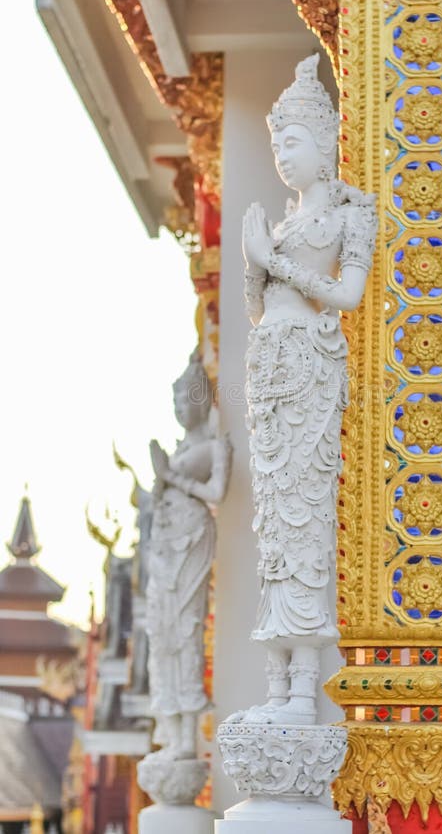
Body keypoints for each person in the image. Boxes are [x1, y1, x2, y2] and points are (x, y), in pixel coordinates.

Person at [240, 54, 377, 725]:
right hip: (272, 380)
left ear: (325, 147)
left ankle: (301, 690)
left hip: (315, 373)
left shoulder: (352, 217)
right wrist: (253, 264)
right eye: (276, 144)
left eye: (292, 142)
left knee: (307, 521)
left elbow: (346, 296)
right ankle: (273, 685)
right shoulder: (283, 225)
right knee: (273, 527)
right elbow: (260, 309)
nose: (282, 155)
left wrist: (275, 262)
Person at [146, 350, 232, 758]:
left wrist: (174, 478)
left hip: (194, 535)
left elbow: (216, 493)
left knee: (186, 628)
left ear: (202, 401)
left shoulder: (217, 445)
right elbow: (161, 492)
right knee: (161, 633)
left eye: (187, 400)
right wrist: (160, 480)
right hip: (164, 543)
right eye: (176, 401)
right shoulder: (180, 446)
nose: (182, 409)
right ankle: (169, 728)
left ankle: (187, 738)